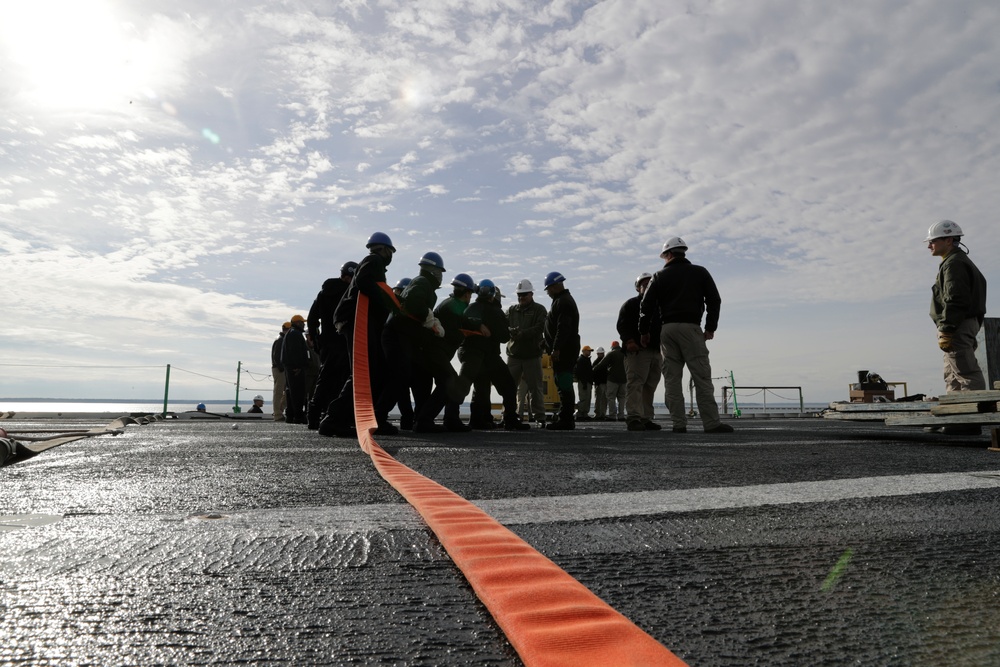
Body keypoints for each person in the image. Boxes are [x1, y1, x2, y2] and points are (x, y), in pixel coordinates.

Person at [640, 236, 733, 434]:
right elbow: (714, 300)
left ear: (669, 254)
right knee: (701, 377)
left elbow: (645, 306)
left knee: (672, 379)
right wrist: (710, 327)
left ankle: (679, 424)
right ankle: (711, 423)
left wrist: (644, 331)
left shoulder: (658, 277)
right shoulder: (700, 272)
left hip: (668, 330)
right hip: (691, 328)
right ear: (683, 252)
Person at [319, 232, 400, 437]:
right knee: (365, 372)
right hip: (358, 322)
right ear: (383, 248)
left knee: (378, 371)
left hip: (361, 322)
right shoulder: (374, 260)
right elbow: (364, 282)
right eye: (390, 251)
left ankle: (369, 418)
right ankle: (334, 419)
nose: (390, 255)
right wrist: (386, 301)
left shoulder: (373, 263)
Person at [926, 220, 988, 436]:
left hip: (957, 323)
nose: (929, 245)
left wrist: (948, 328)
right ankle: (956, 417)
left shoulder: (955, 264)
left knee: (965, 371)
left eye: (933, 241)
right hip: (957, 323)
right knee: (952, 373)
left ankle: (970, 421)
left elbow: (956, 299)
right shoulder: (954, 261)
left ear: (949, 240)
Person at [386, 252, 455, 434]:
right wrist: (429, 317)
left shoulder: (420, 284)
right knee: (449, 380)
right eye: (439, 271)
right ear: (433, 270)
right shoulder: (422, 283)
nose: (440, 276)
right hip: (416, 342)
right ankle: (423, 420)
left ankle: (420, 420)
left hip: (413, 343)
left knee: (420, 382)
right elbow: (415, 304)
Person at [456, 279, 530, 430]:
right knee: (508, 386)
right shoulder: (495, 311)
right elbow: (503, 337)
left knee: (481, 387)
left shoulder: (472, 307)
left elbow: (464, 318)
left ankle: (478, 420)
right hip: (489, 355)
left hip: (469, 352)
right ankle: (510, 419)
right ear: (492, 295)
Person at [305, 261, 358, 429]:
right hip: (344, 340)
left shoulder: (323, 293)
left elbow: (312, 318)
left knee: (325, 377)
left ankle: (313, 415)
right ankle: (335, 415)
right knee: (343, 379)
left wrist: (316, 338)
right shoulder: (350, 293)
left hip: (327, 342)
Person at [433, 272, 479, 431]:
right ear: (467, 294)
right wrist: (464, 334)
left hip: (438, 352)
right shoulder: (453, 306)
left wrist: (478, 326)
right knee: (451, 383)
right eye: (470, 295)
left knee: (446, 384)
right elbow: (453, 333)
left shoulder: (452, 304)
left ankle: (442, 419)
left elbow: (466, 321)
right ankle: (434, 420)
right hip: (437, 352)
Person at [618, 272, 662, 431]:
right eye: (644, 284)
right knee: (635, 384)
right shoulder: (630, 305)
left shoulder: (659, 306)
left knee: (650, 385)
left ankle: (646, 417)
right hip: (637, 351)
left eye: (651, 283)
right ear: (638, 288)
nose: (648, 286)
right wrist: (629, 341)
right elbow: (622, 325)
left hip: (656, 351)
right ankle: (634, 417)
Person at [506, 278, 548, 425]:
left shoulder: (540, 310)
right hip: (514, 355)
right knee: (509, 387)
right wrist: (510, 331)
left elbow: (540, 328)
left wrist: (521, 334)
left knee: (535, 388)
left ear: (531, 294)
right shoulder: (511, 310)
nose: (521, 298)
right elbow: (504, 325)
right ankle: (508, 415)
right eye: (519, 295)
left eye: (524, 295)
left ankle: (540, 417)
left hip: (532, 355)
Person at [542, 271, 580, 430]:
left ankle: (566, 419)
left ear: (555, 286)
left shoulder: (563, 302)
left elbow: (563, 327)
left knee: (564, 383)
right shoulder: (561, 300)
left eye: (548, 289)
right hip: (565, 349)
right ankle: (565, 417)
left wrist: (556, 348)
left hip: (564, 351)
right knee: (562, 382)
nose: (548, 292)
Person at [282, 314, 310, 424]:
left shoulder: (290, 333)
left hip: (290, 367)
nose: (304, 324)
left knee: (291, 392)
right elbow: (296, 352)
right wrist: (298, 366)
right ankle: (298, 416)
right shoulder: (296, 334)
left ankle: (290, 415)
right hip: (295, 368)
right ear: (298, 323)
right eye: (303, 322)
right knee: (298, 392)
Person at [594, 341, 627, 421]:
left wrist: (594, 369)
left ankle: (612, 415)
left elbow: (602, 364)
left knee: (611, 397)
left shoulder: (611, 354)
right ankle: (621, 415)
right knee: (622, 398)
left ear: (612, 347)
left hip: (612, 379)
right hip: (624, 379)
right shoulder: (625, 353)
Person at [271, 322, 290, 421]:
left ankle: (279, 411)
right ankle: (277, 414)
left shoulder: (281, 339)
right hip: (280, 369)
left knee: (285, 392)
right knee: (278, 392)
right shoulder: (280, 340)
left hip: (281, 369)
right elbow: (277, 356)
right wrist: (282, 368)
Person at [574, 346, 594, 421]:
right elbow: (580, 373)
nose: (589, 352)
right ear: (584, 351)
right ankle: (580, 414)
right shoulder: (581, 360)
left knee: (587, 398)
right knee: (583, 398)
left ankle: (585, 414)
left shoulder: (586, 359)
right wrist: (584, 383)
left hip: (587, 382)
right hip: (583, 382)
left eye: (590, 351)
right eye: (588, 351)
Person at [592, 346, 608, 420]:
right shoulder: (605, 362)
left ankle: (600, 414)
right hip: (601, 383)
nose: (601, 354)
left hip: (602, 383)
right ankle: (600, 414)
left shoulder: (596, 362)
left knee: (602, 399)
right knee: (601, 399)